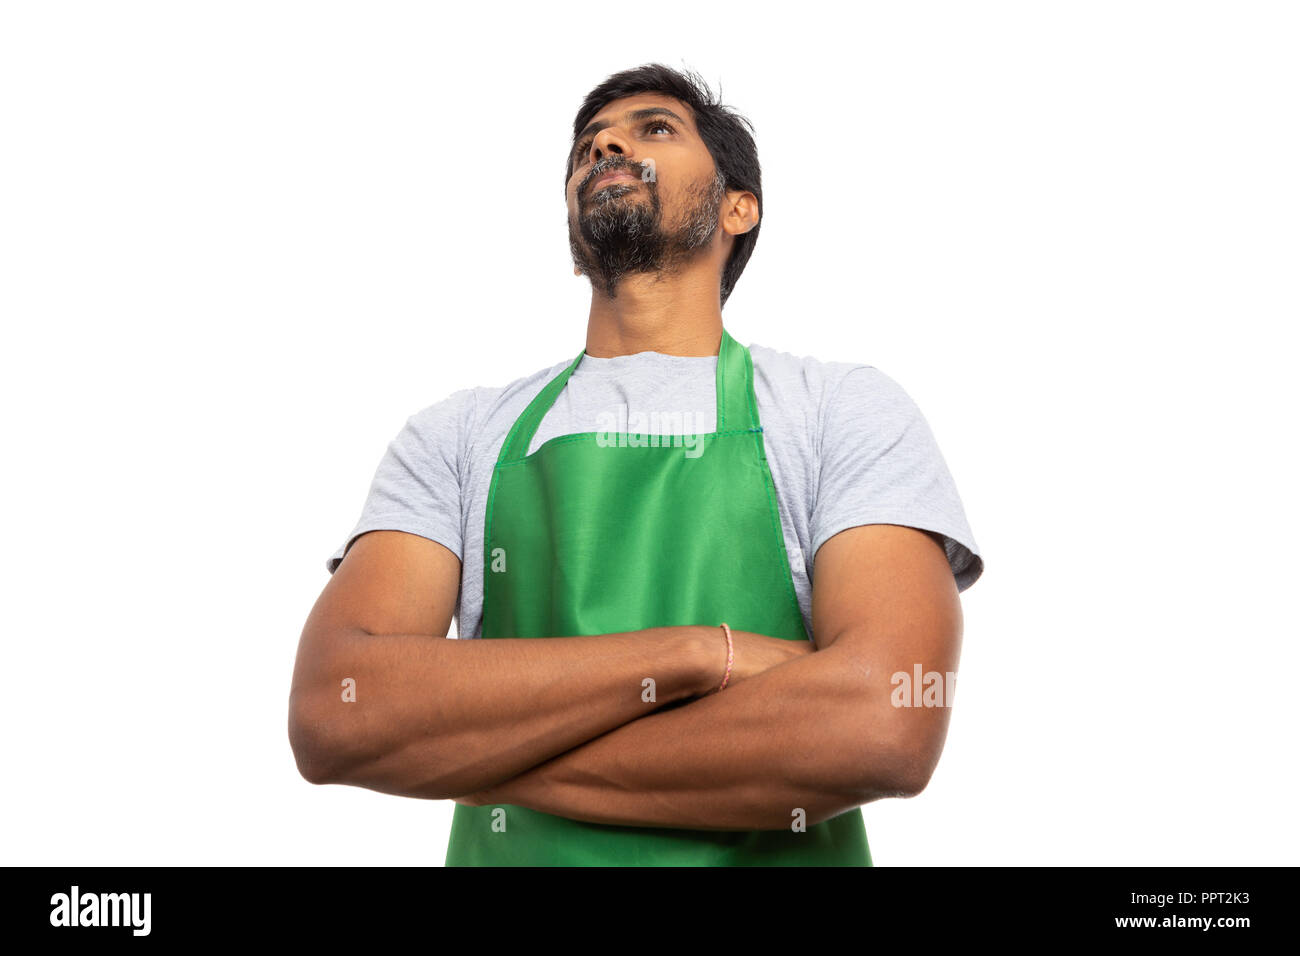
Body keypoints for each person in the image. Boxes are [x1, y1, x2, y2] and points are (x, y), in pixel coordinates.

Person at [288, 63, 984, 866]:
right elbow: (333, 711)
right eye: (589, 146)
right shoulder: (456, 436)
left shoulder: (841, 411)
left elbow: (883, 725)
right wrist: (700, 654)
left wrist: (494, 753)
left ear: (739, 207)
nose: (607, 145)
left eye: (655, 129)